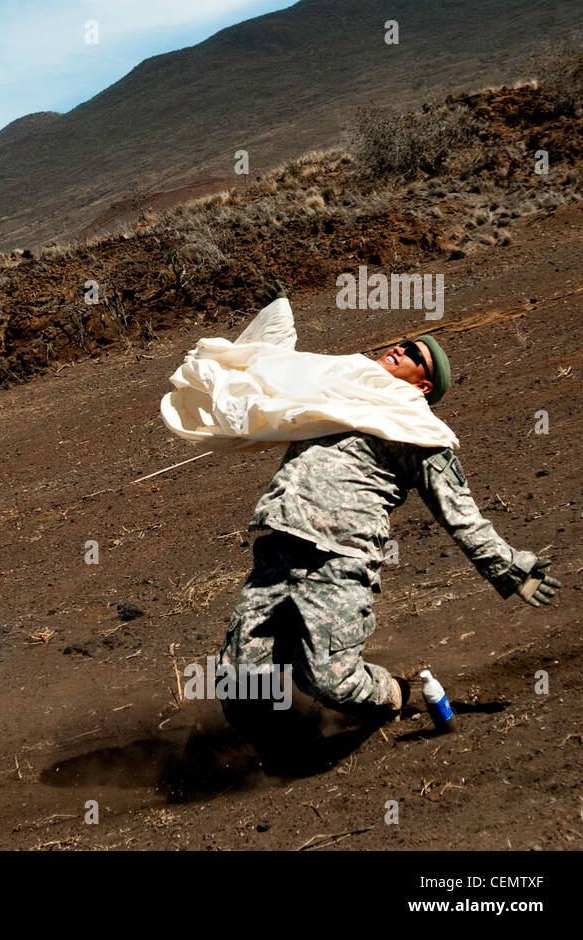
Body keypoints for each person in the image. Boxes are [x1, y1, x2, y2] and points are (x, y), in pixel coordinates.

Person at [217, 287, 561, 770]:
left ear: (423, 387)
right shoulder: (335, 392)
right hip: (278, 549)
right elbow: (277, 372)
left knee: (330, 680)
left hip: (338, 560)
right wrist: (270, 317)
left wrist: (509, 568)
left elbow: (458, 511)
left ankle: (394, 695)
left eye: (415, 355)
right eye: (405, 343)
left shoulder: (415, 429)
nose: (400, 349)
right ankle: (278, 756)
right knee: (239, 679)